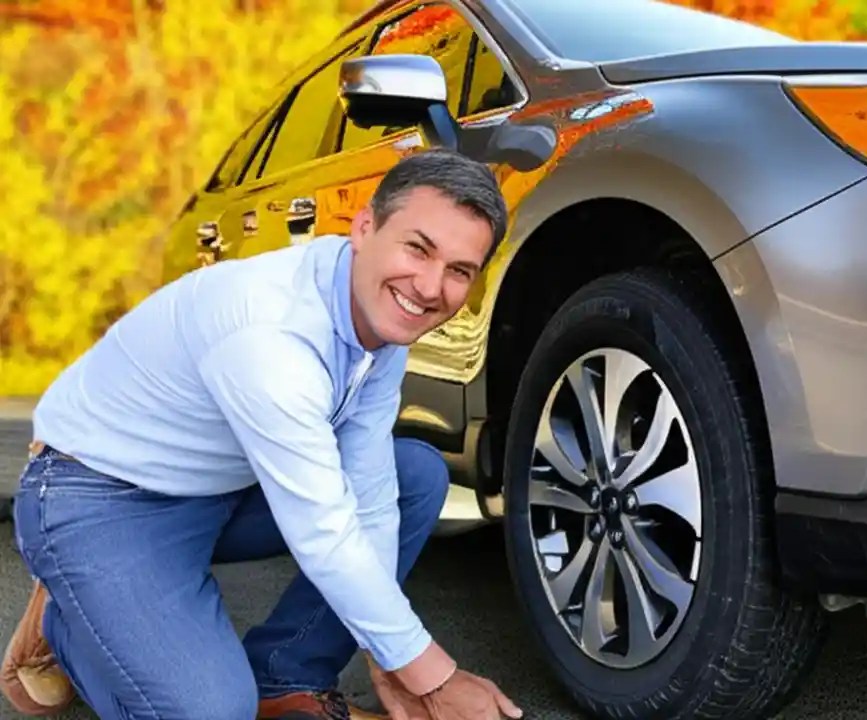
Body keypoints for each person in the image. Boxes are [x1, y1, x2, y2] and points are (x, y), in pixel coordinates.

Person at [2, 148, 524, 720]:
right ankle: (71, 619)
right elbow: (324, 530)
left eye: (458, 271)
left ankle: (285, 677)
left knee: (413, 476)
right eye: (417, 248)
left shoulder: (375, 313)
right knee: (209, 711)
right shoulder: (270, 332)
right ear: (364, 226)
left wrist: (391, 659)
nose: (429, 287)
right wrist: (435, 677)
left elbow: (369, 496)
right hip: (99, 495)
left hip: (219, 485)